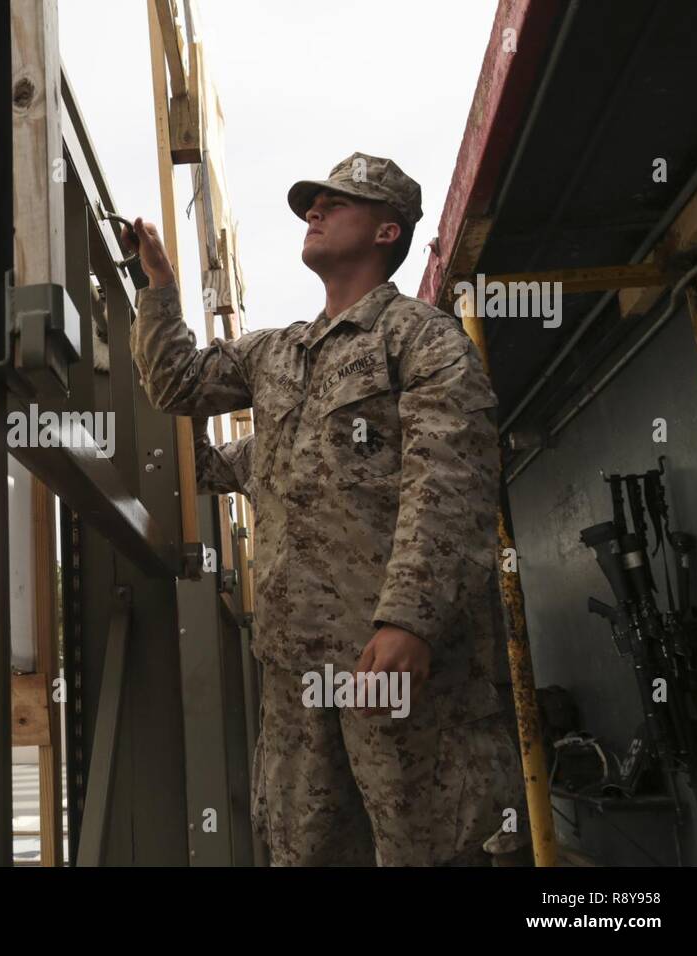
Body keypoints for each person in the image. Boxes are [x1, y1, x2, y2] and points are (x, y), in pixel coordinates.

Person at [127, 153, 523, 866]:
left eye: (337, 203)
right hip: (295, 671)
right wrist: (159, 287)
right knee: (305, 848)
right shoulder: (277, 354)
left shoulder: (422, 340)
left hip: (396, 660)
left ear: (387, 231)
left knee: (426, 843)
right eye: (313, 204)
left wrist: (411, 619)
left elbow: (450, 481)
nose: (314, 212)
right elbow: (178, 384)